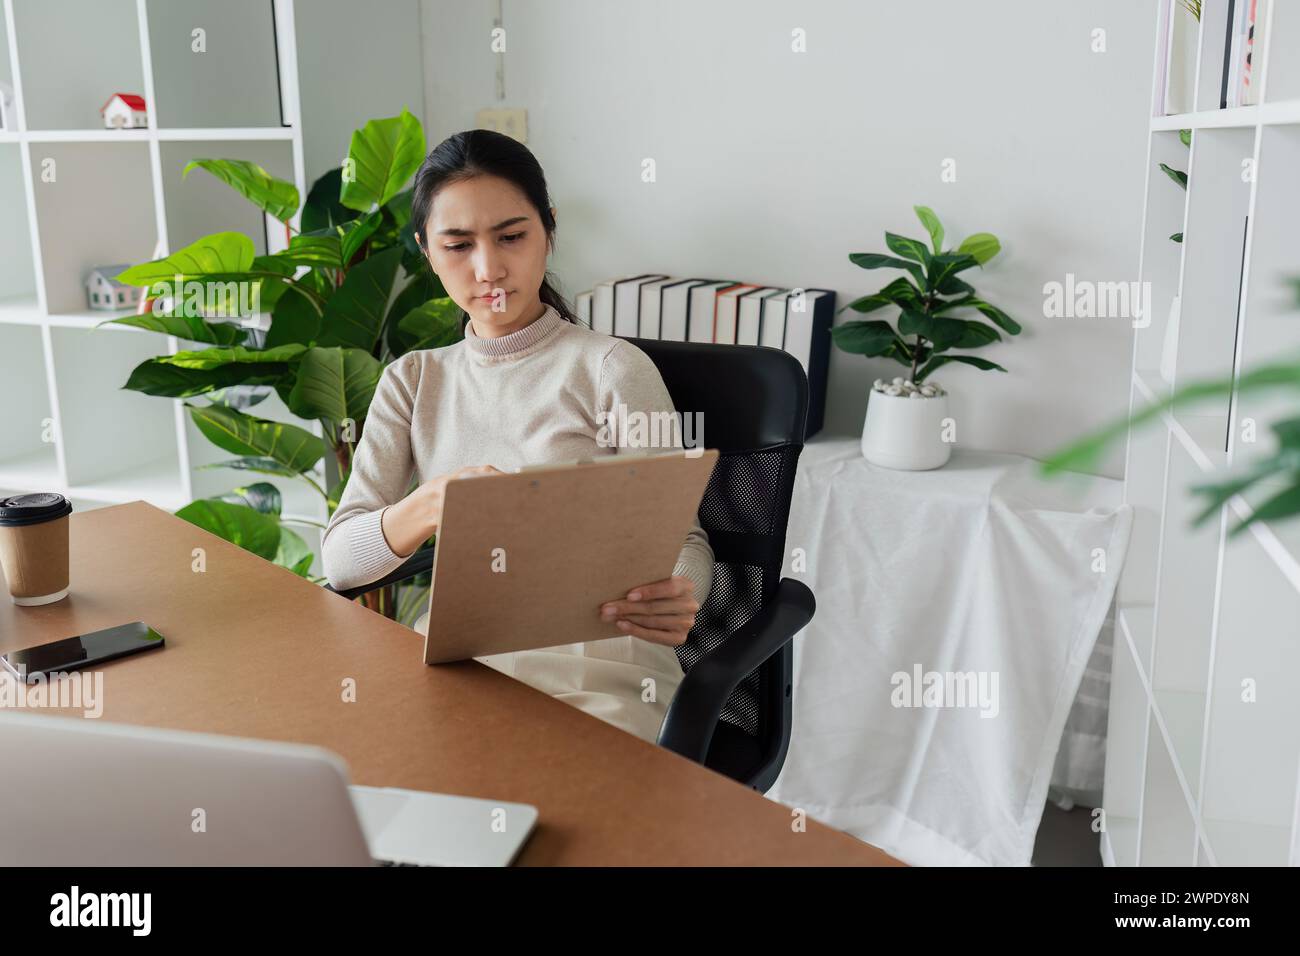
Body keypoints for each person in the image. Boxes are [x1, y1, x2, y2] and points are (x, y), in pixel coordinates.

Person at [321, 129, 713, 745]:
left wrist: (681, 589)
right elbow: (341, 563)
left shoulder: (612, 368)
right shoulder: (413, 381)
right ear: (427, 250)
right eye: (458, 245)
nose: (489, 269)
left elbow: (683, 537)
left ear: (548, 229)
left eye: (511, 236)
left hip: (600, 663)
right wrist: (431, 504)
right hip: (462, 660)